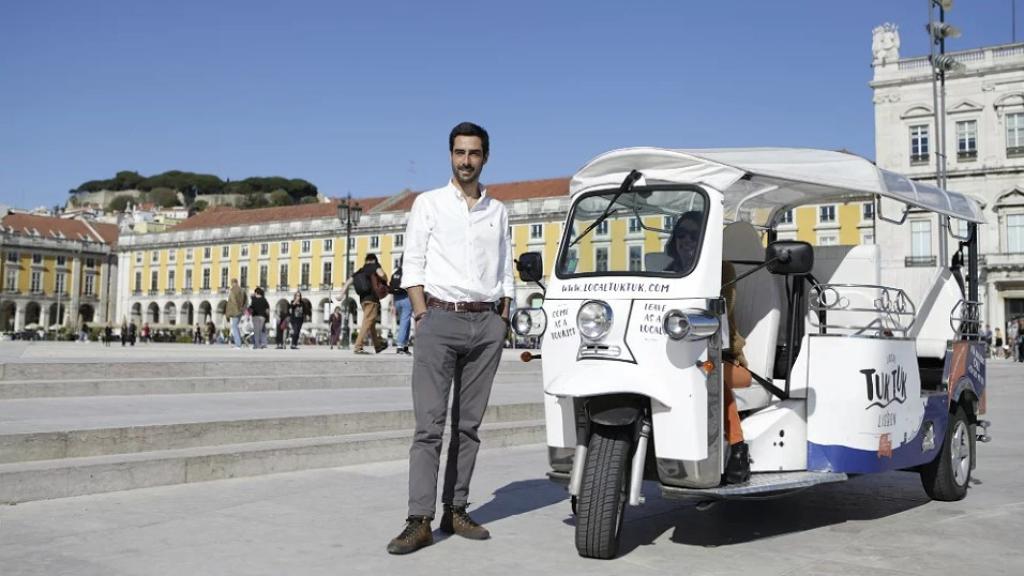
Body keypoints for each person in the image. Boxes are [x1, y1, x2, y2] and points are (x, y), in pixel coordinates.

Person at [386, 122, 512, 555]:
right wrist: (421, 313)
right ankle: (418, 520)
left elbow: (505, 266)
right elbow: (413, 262)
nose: (466, 161)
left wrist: (503, 315)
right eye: (459, 152)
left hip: (486, 323)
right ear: (450, 156)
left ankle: (456, 510)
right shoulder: (429, 204)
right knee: (429, 426)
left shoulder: (498, 211)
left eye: (474, 153)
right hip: (439, 318)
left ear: (485, 157)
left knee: (469, 427)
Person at [666, 212, 751, 484]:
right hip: (678, 356)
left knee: (708, 371)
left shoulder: (722, 270)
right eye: (681, 234)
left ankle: (738, 448)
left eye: (694, 235)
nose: (686, 240)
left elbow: (721, 318)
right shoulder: (667, 272)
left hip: (724, 357)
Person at [339, 254, 389, 355]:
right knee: (367, 322)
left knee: (371, 323)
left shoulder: (360, 270)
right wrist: (385, 278)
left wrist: (341, 294)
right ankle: (358, 346)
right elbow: (381, 274)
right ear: (374, 260)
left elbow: (348, 282)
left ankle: (378, 346)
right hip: (372, 299)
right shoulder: (375, 266)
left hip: (363, 300)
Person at [391, 257, 412, 355]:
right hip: (406, 297)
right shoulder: (408, 272)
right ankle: (400, 346)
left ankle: (405, 345)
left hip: (396, 299)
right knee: (405, 321)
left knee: (406, 321)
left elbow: (391, 288)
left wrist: (393, 304)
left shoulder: (395, 273)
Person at [226, 279, 248, 349]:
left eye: (231, 283)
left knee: (234, 326)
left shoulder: (232, 290)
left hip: (235, 311)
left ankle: (238, 344)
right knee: (236, 326)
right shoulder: (242, 290)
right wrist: (243, 309)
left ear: (233, 283)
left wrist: (236, 309)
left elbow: (233, 301)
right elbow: (246, 301)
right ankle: (239, 342)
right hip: (240, 311)